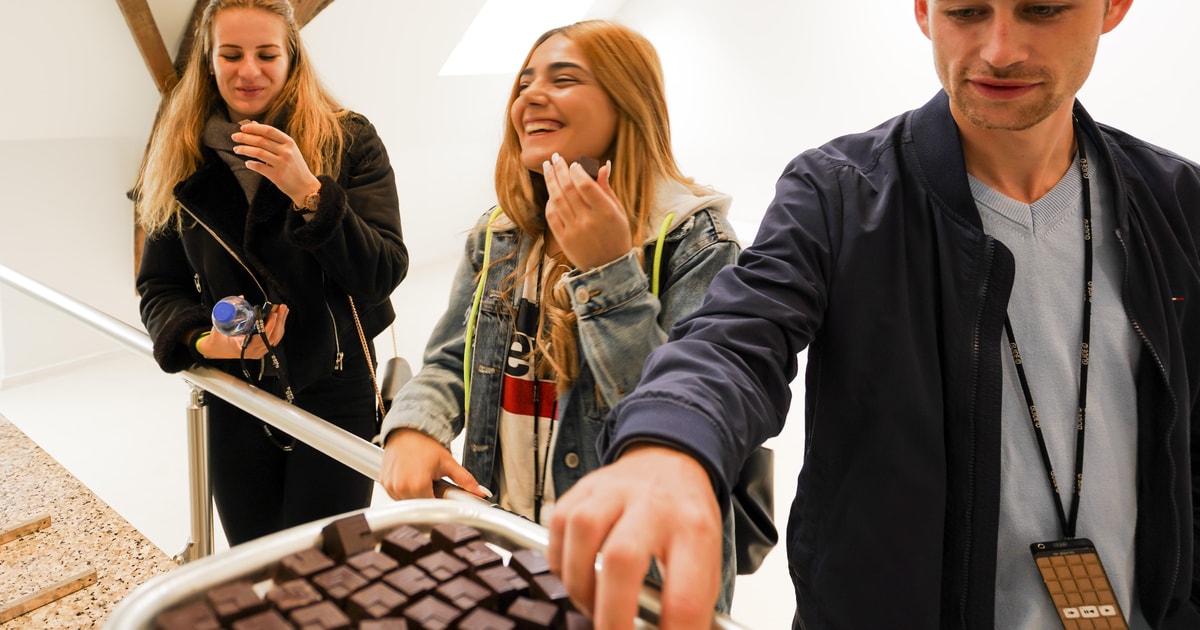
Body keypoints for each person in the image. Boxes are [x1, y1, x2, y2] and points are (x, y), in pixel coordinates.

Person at [547, 1, 1200, 629]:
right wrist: (669, 443)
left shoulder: (1175, 201)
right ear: (924, 11)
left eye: (1042, 10)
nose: (999, 50)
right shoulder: (837, 191)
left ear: (1114, 7)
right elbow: (736, 337)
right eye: (966, 12)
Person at [377, 20, 741, 610]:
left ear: (628, 102)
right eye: (524, 82)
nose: (529, 96)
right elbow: (452, 360)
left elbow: (680, 411)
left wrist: (607, 272)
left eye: (563, 78)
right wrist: (417, 422)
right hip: (506, 546)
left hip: (632, 574)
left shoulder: (696, 242)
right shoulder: (500, 233)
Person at [134, 0, 407, 546]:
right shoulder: (179, 155)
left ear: (293, 59)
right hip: (236, 398)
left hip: (336, 389)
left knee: (328, 574)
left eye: (266, 53)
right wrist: (204, 341)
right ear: (208, 62)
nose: (249, 71)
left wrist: (309, 191)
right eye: (230, 54)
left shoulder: (348, 140)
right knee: (256, 565)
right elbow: (157, 286)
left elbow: (383, 270)